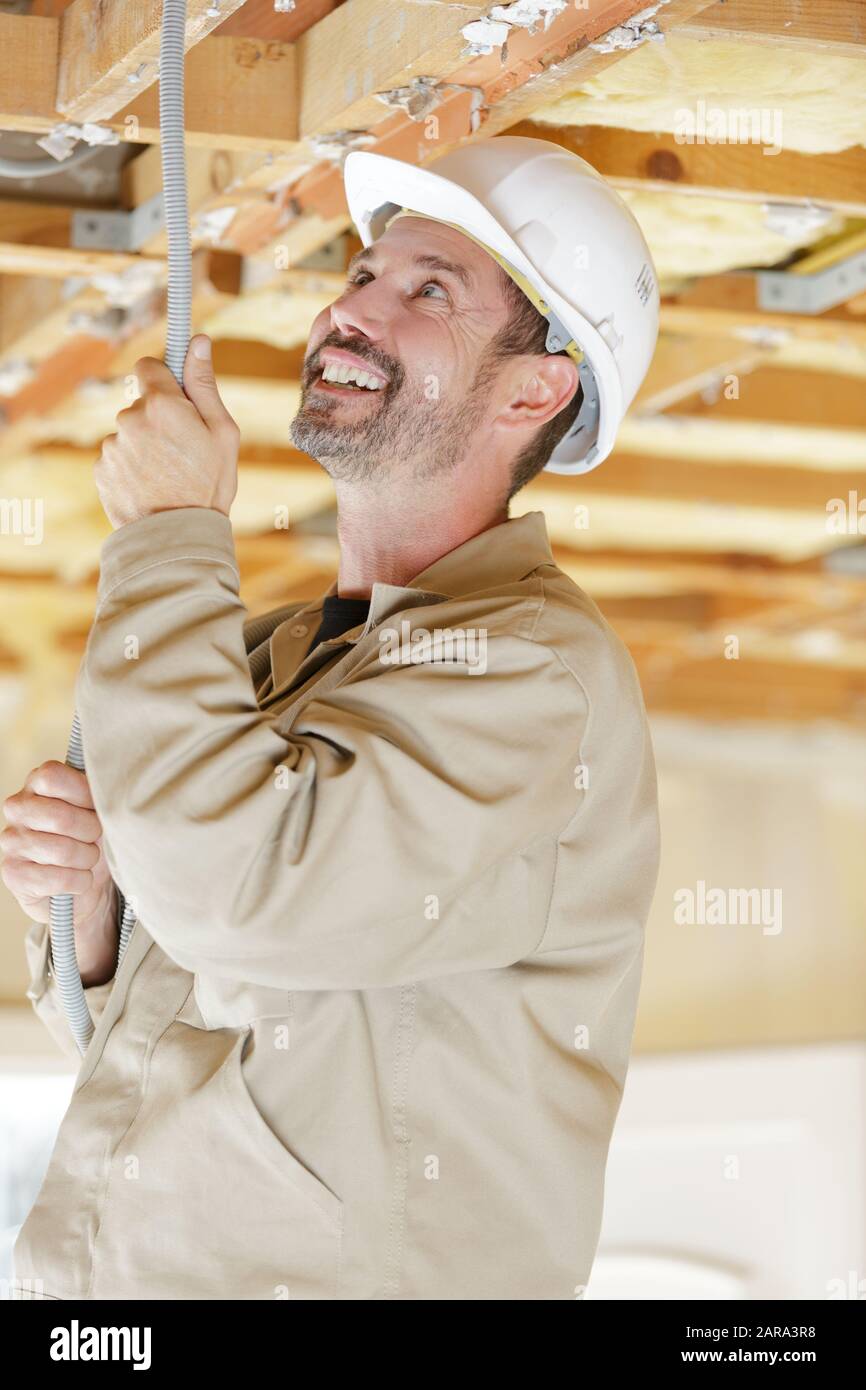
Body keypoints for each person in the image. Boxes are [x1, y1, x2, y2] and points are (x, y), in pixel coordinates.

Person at [1, 136, 660, 1300]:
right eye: (361, 275)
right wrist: (98, 931)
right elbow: (202, 1025)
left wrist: (166, 535)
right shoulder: (279, 662)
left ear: (532, 388)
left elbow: (243, 905)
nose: (351, 313)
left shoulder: (530, 676)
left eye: (427, 292)